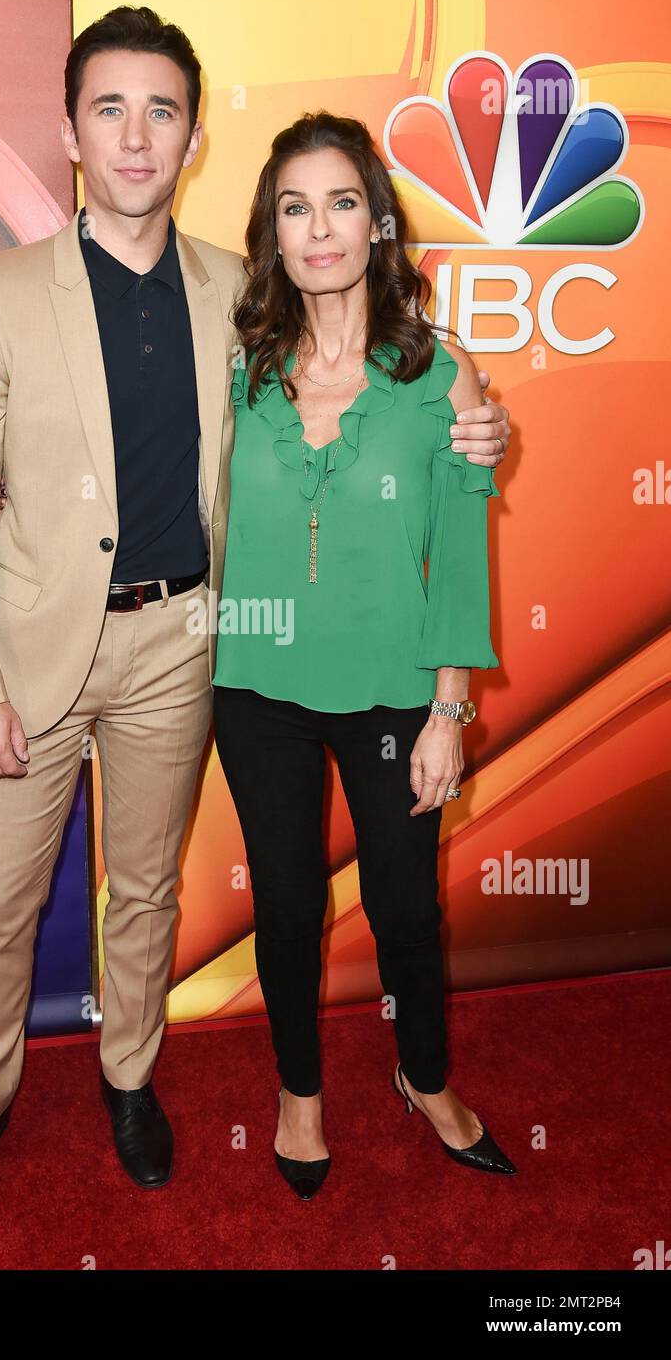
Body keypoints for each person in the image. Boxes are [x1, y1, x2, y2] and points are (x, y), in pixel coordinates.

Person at [0, 7, 513, 1221]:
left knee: (143, 893)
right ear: (72, 129)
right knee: (1, 900)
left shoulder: (236, 296)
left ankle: (129, 1078)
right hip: (33, 653)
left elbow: (404, 406)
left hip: (183, 648)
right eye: (109, 109)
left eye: (162, 111)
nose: (136, 137)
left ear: (191, 136)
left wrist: (483, 429)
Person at [211, 110, 516, 1199]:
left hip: (395, 694)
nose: (318, 227)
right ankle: (299, 1092)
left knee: (401, 906)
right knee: (287, 902)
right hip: (253, 686)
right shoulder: (238, 368)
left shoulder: (439, 372)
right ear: (272, 232)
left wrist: (448, 711)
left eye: (340, 201)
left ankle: (423, 1076)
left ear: (376, 221)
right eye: (293, 207)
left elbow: (462, 554)